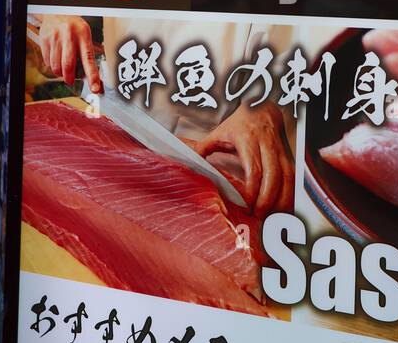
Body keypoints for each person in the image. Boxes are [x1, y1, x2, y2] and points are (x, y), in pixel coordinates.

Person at [37, 14, 295, 217]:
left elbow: (299, 44)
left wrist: (265, 106)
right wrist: (56, 11)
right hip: (119, 133)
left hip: (216, 158)